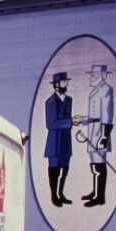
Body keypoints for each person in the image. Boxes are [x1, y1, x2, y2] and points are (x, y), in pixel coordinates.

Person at [79, 63, 116, 207]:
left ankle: (100, 196)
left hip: (100, 134)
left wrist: (104, 136)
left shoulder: (106, 90)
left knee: (100, 166)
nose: (90, 78)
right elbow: (94, 116)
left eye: (93, 75)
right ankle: (95, 191)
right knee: (94, 166)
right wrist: (82, 120)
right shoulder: (95, 90)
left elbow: (107, 114)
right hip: (92, 133)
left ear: (101, 76)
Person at [42, 72, 74, 206]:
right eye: (63, 81)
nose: (66, 84)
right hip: (54, 141)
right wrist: (71, 122)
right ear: (56, 84)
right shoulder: (51, 102)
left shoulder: (69, 99)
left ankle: (61, 193)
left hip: (65, 140)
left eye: (66, 81)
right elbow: (51, 123)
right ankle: (54, 196)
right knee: (54, 169)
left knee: (64, 168)